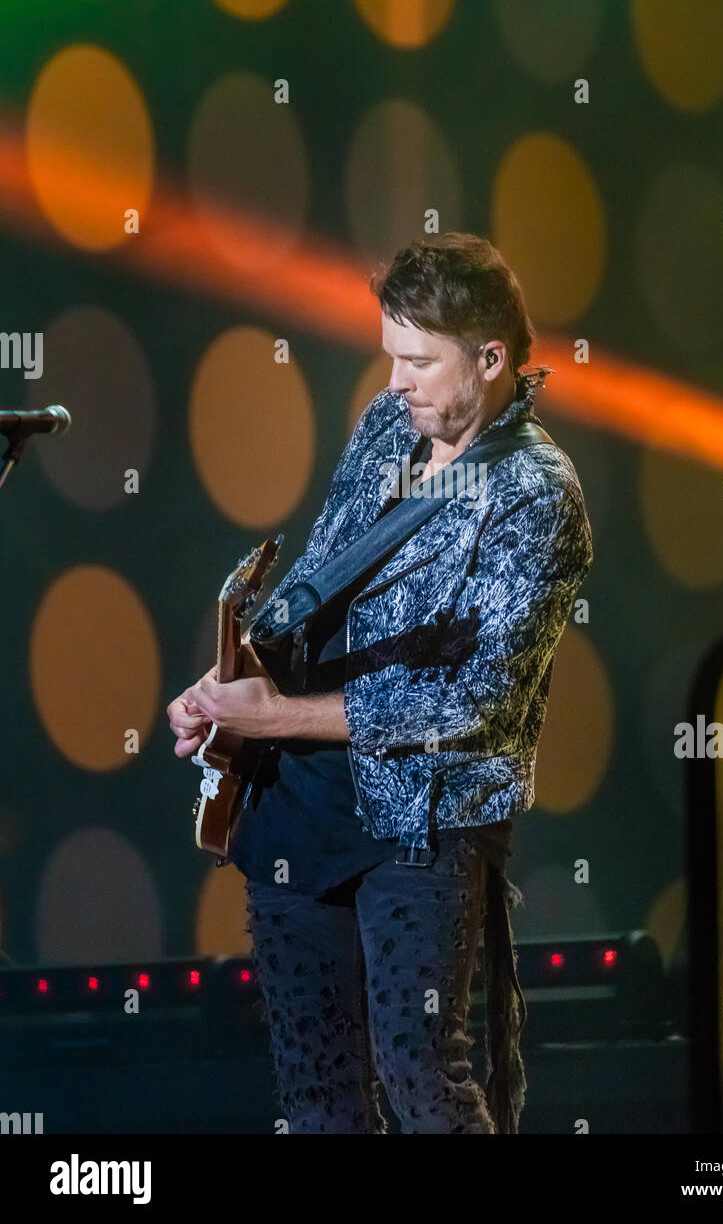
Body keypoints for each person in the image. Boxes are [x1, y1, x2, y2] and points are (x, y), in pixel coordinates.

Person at [167, 232, 593, 1133]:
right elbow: (319, 577)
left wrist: (277, 713)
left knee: (422, 1079)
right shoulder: (385, 427)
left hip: (421, 821)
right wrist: (228, 687)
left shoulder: (536, 491)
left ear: (489, 358)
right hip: (298, 801)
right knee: (317, 1095)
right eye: (390, 355)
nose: (395, 380)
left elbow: (476, 701)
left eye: (417, 360)